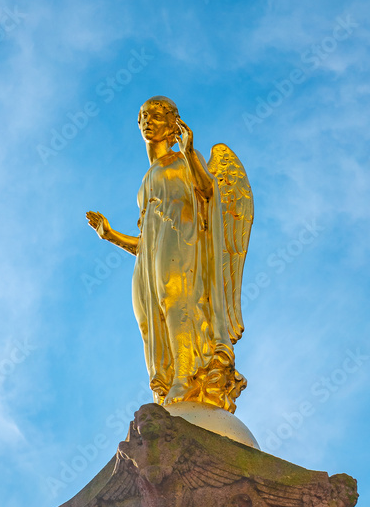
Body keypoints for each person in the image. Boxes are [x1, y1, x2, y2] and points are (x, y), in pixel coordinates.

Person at [87, 96, 249, 413]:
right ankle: (166, 383)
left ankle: (186, 378)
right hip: (151, 257)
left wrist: (189, 152)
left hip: (182, 243)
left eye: (157, 116)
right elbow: (146, 241)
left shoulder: (184, 160)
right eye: (144, 116)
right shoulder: (146, 180)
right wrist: (110, 235)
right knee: (150, 322)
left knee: (176, 303)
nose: (149, 121)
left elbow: (209, 192)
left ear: (174, 124)